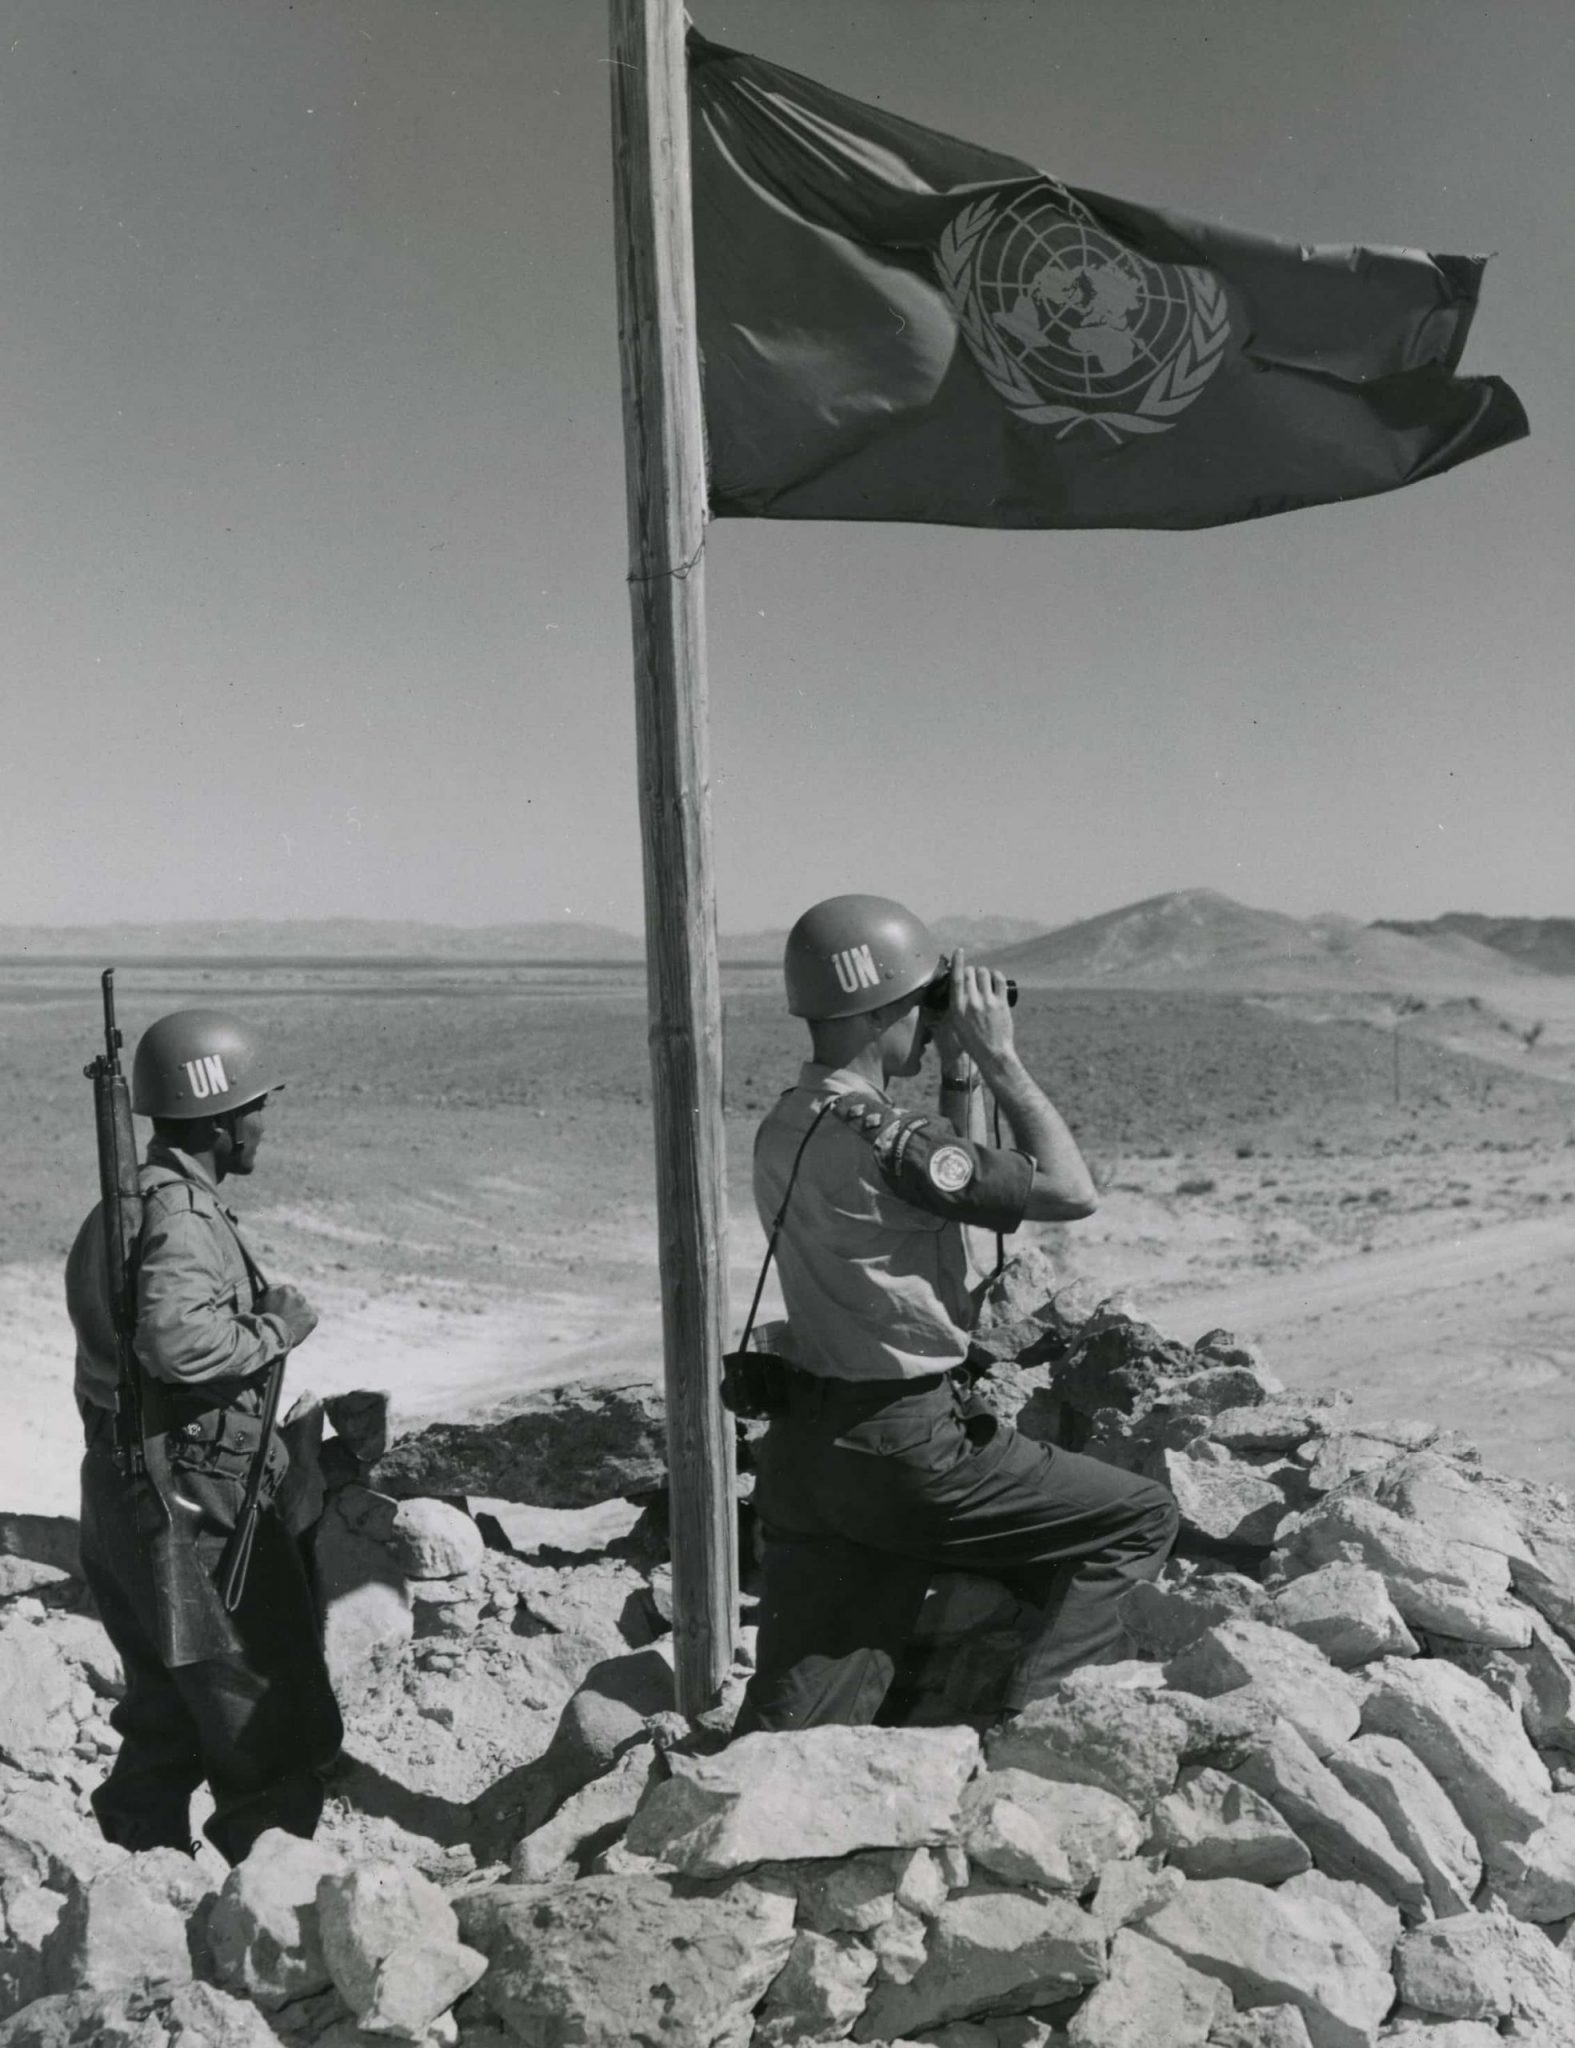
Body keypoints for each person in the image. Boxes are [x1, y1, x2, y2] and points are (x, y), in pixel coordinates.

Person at [735, 894, 1179, 1733]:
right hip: (907, 1449)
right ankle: (1044, 1734)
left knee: (803, 1721)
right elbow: (1070, 1192)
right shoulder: (887, 1141)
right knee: (1137, 1516)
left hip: (809, 1457)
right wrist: (999, 1058)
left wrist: (956, 1072)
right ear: (890, 1008)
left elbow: (946, 1203)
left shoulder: (794, 1120)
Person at [65, 1007, 342, 1863]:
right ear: (221, 1119)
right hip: (197, 1497)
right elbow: (174, 1344)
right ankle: (275, 1935)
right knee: (263, 1709)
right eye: (255, 1106)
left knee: (167, 1712)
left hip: (131, 1489)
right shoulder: (181, 1216)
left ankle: (129, 1907)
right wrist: (277, 1330)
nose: (262, 1123)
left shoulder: (128, 1208)